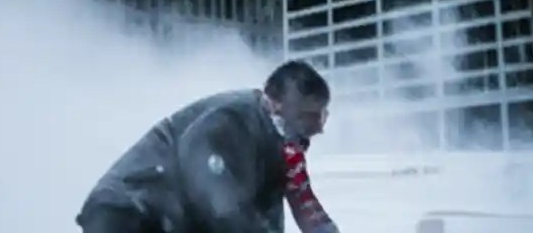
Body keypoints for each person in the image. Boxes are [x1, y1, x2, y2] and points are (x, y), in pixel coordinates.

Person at [75, 60, 339, 233]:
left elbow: (304, 208)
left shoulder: (285, 151)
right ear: (275, 103)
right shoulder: (232, 119)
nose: (318, 127)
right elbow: (218, 198)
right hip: (130, 213)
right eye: (308, 116)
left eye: (321, 116)